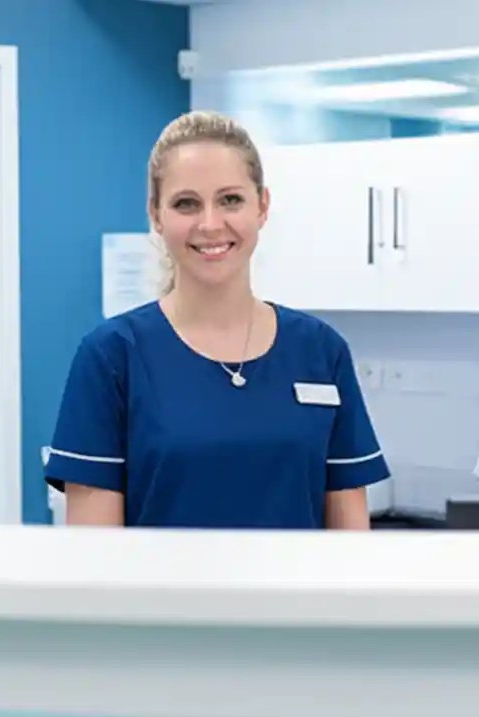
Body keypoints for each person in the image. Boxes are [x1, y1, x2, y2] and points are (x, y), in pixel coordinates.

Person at [43, 110, 390, 529]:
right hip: (161, 596)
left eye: (230, 200)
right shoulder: (112, 356)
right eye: (186, 203)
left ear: (262, 206)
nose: (210, 224)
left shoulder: (320, 350)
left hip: (295, 595)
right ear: (156, 215)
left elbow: (350, 550)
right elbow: (94, 560)